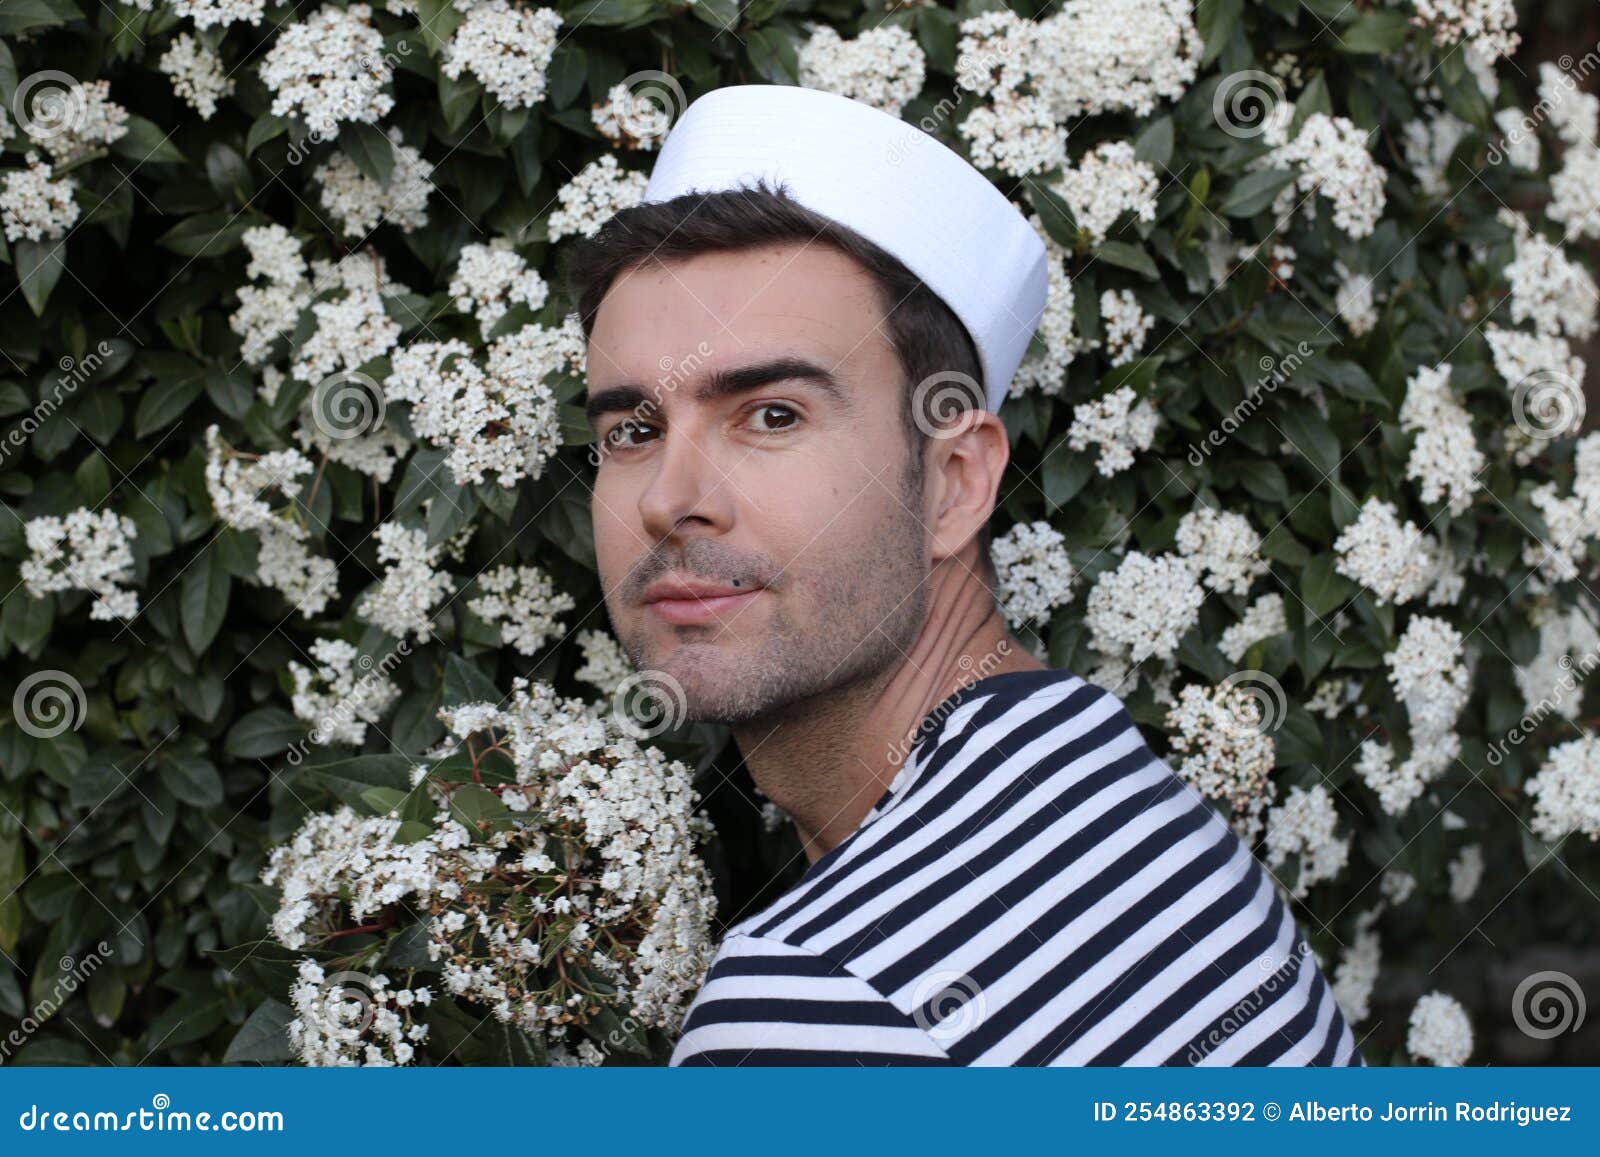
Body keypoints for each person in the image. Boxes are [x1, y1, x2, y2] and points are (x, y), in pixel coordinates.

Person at [562, 84, 1364, 1066]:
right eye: (632, 429)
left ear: (952, 480)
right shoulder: (1111, 784)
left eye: (771, 414)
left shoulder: (814, 999)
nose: (669, 497)